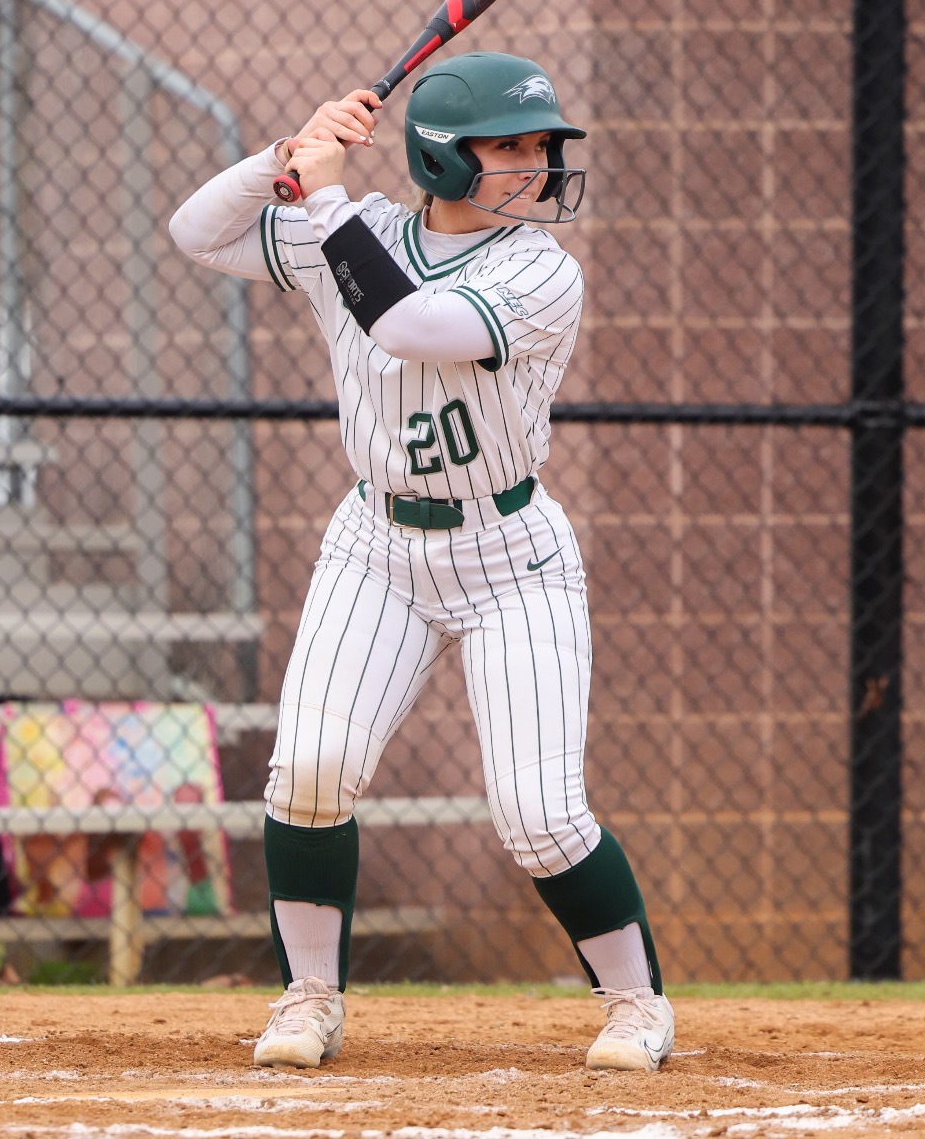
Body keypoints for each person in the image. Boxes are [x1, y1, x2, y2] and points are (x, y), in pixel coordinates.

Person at [167, 53, 675, 1070]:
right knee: (309, 770)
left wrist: (322, 197)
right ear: (441, 160)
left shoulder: (538, 270)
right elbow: (195, 231)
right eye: (506, 147)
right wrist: (284, 154)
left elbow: (406, 323)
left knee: (537, 817)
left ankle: (634, 1002)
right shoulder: (350, 231)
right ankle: (308, 996)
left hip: (509, 555)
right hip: (375, 547)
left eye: (539, 147)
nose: (533, 166)